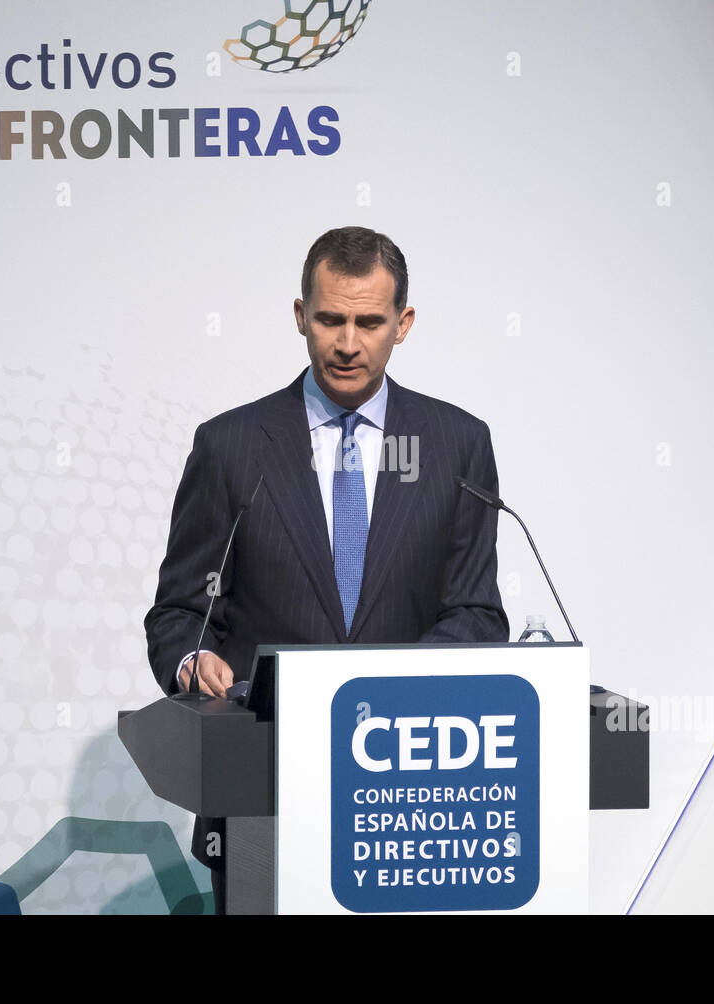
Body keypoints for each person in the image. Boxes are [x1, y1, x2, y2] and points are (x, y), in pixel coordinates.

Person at [143, 225, 509, 910]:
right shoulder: (231, 447)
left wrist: (389, 691)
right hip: (263, 803)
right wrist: (193, 658)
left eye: (369, 322)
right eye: (330, 319)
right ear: (299, 317)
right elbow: (181, 612)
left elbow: (477, 615)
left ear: (403, 324)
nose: (347, 343)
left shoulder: (458, 444)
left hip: (406, 804)